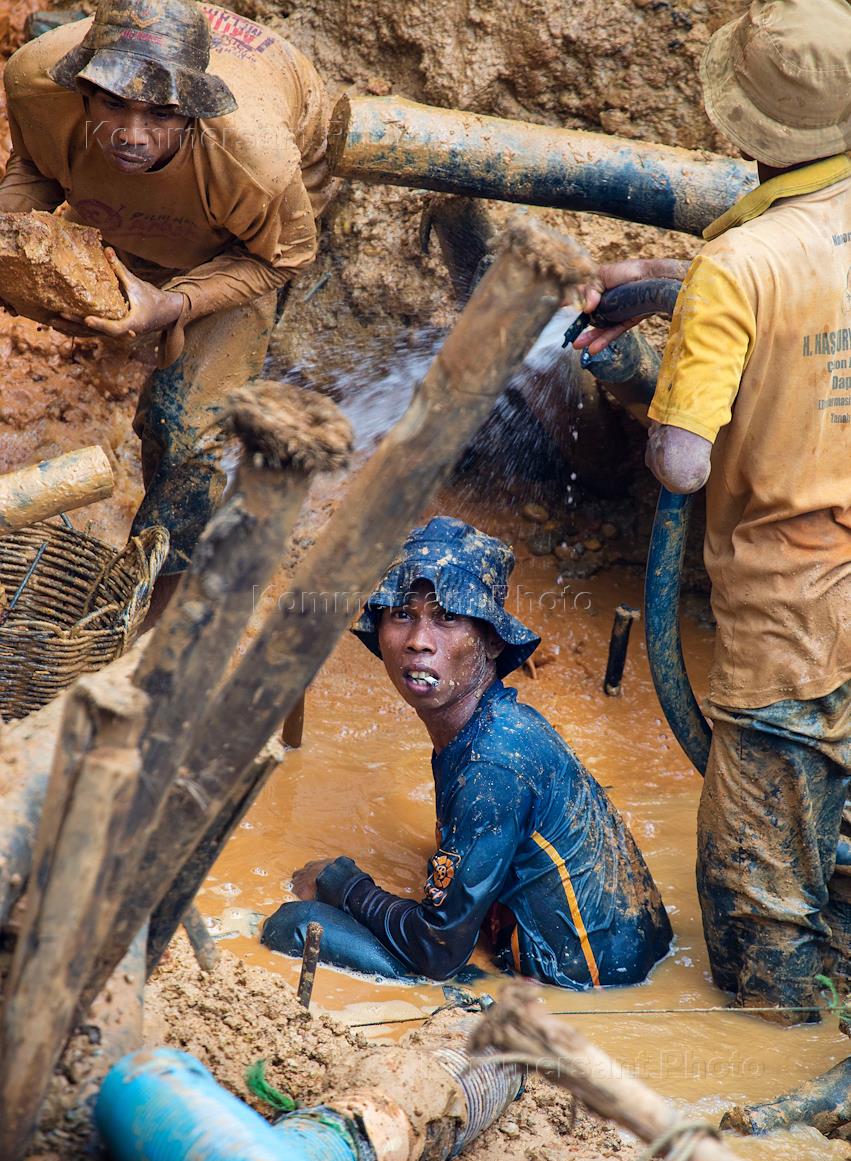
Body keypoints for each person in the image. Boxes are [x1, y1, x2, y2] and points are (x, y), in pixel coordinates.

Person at [576, 0, 851, 1021]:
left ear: (745, 131)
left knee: (760, 895)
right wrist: (665, 288)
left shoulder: (740, 269)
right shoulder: (750, 257)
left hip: (791, 609)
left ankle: (773, 1047)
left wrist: (669, 373)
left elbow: (683, 466)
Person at [0, 0, 333, 619]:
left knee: (184, 432)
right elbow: (36, 164)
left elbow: (281, 259)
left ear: (195, 110)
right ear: (82, 88)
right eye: (112, 103)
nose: (132, 132)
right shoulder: (35, 84)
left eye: (160, 113)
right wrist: (12, 229)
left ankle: (152, 617)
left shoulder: (255, 163)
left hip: (243, 235)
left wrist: (176, 303)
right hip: (157, 192)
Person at [263, 516, 673, 987]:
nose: (418, 640)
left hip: (573, 982)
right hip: (621, 955)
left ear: (491, 640)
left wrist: (344, 884)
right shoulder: (492, 725)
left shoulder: (491, 765)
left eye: (447, 617)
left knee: (291, 924)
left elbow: (437, 951)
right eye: (402, 614)